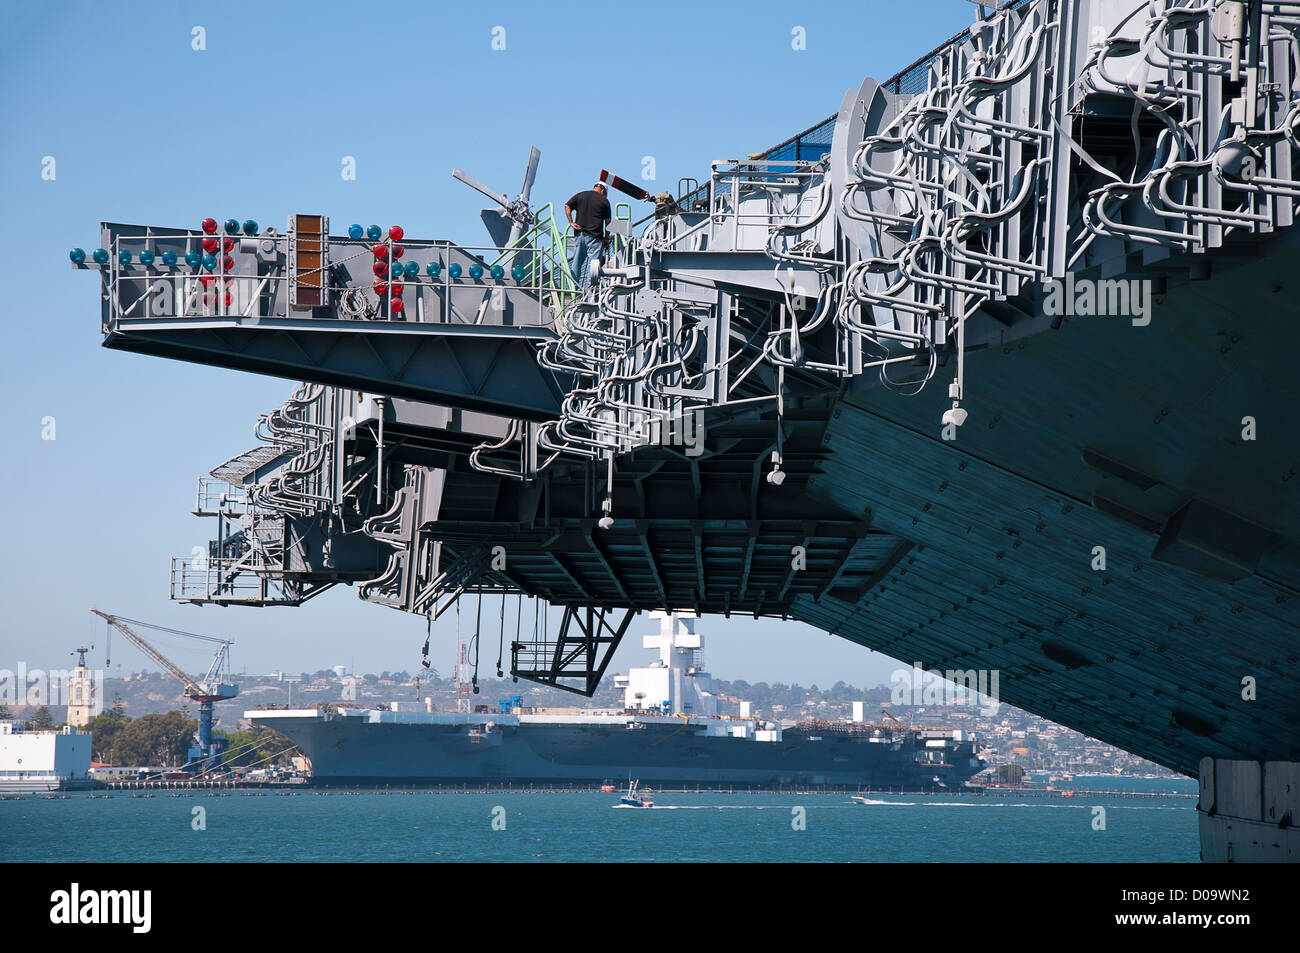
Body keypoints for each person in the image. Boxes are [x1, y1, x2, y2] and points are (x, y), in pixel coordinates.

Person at [565, 181, 611, 291]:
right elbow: (608, 222)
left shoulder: (581, 195)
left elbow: (567, 206)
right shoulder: (604, 201)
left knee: (576, 262)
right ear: (603, 191)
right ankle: (592, 290)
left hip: (579, 235)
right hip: (595, 237)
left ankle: (573, 289)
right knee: (594, 263)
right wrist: (606, 238)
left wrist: (571, 222)